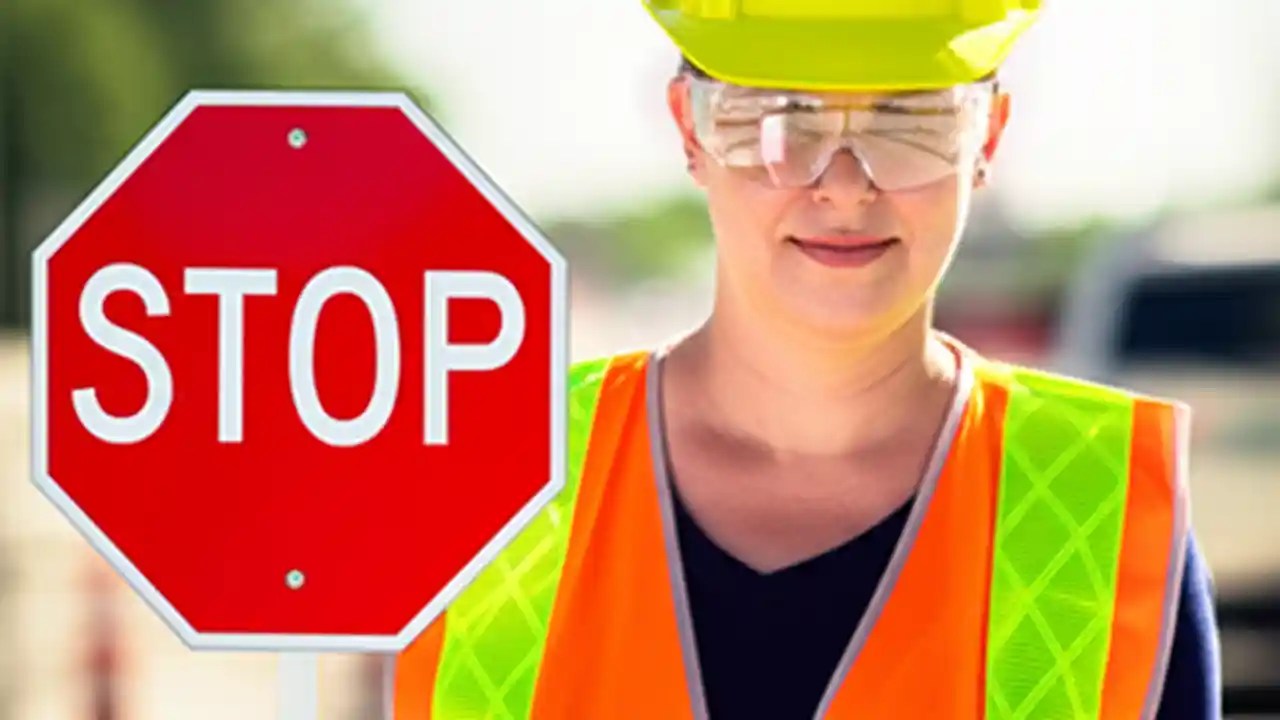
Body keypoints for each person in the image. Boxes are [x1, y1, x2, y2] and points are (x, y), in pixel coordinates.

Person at [392, 1, 1221, 718]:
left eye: (909, 122)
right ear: (690, 128)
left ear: (987, 138)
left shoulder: (1104, 518)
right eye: (781, 119)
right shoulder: (500, 482)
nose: (845, 185)